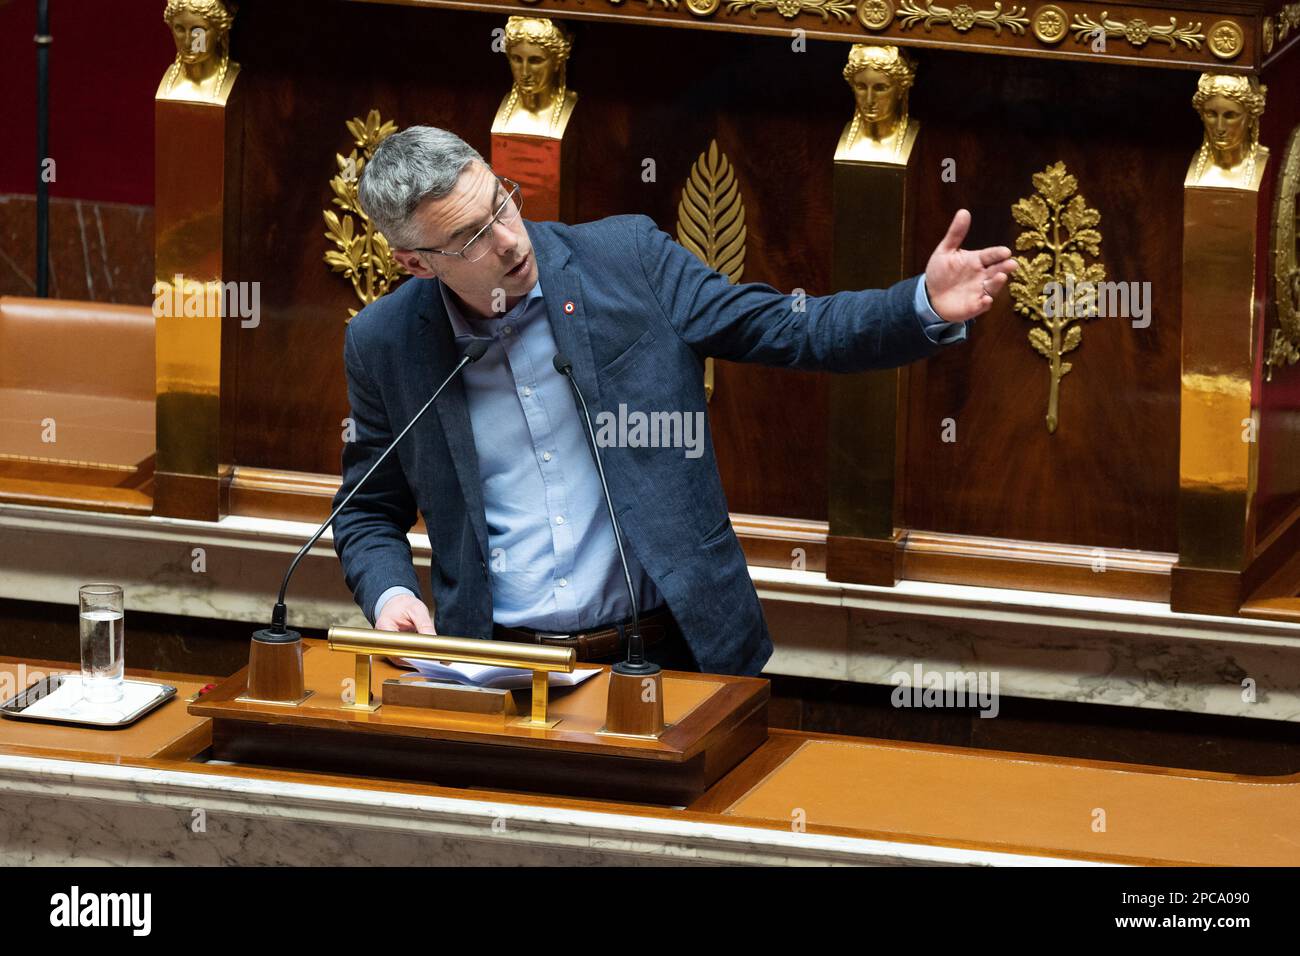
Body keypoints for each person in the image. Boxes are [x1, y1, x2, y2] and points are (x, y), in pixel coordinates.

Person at [331, 125, 1017, 676]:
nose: (510, 240)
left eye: (501, 203)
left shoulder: (626, 259)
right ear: (416, 262)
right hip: (505, 665)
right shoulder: (385, 342)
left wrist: (918, 305)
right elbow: (367, 510)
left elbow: (787, 327)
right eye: (473, 237)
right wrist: (392, 597)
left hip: (673, 654)